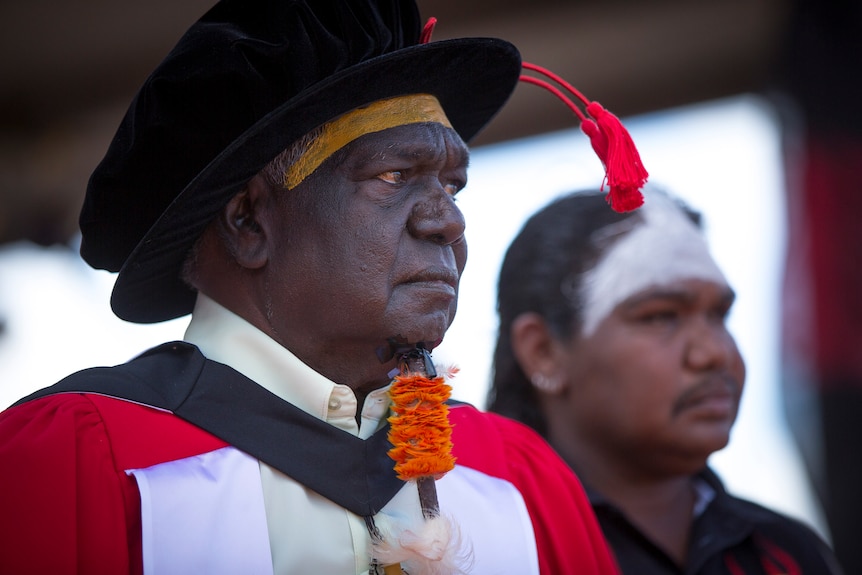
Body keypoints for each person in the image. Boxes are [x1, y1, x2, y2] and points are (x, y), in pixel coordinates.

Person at [0, 1, 622, 574]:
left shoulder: (520, 476)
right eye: (394, 174)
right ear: (249, 222)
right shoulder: (68, 466)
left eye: (452, 186)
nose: (448, 220)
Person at [487, 187, 844, 574]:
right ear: (544, 351)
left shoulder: (785, 552)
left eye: (720, 315)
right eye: (660, 316)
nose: (714, 353)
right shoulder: (475, 547)